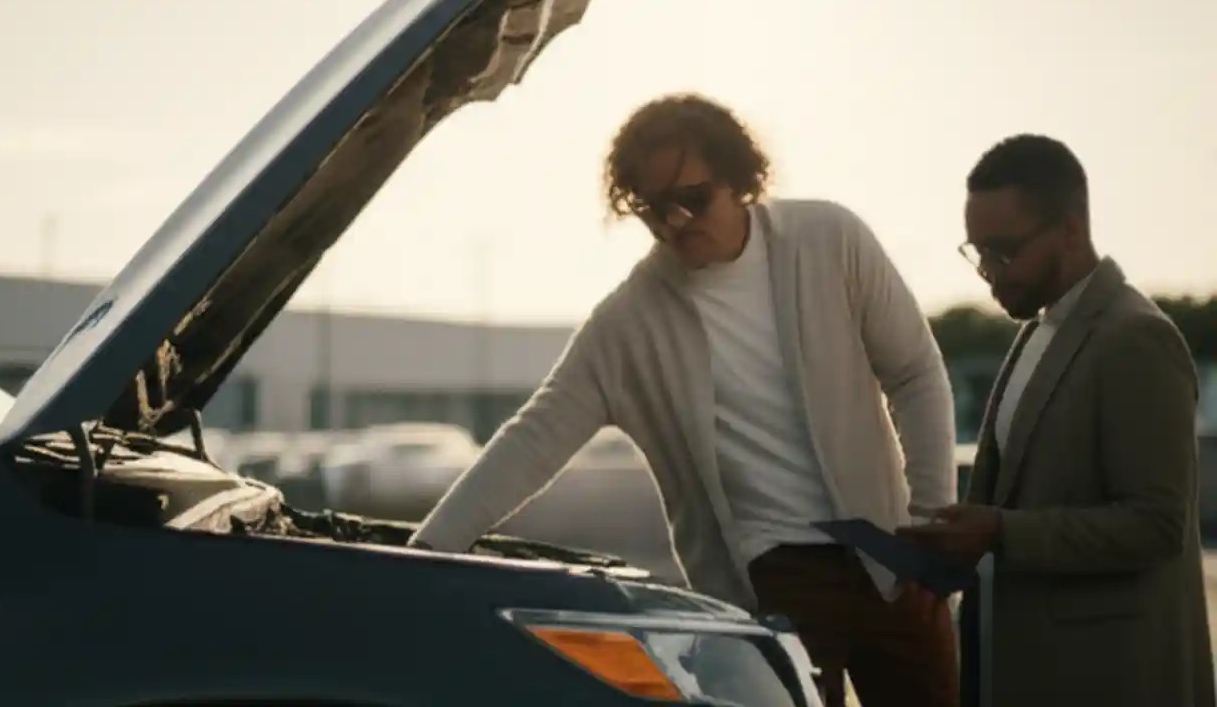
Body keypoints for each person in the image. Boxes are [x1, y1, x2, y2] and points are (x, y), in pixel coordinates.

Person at [409, 93, 959, 706]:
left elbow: (913, 373)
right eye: (652, 209)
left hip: (888, 557)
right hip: (771, 585)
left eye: (692, 199)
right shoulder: (629, 322)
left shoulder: (829, 239)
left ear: (742, 180)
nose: (675, 222)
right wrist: (426, 554)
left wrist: (932, 526)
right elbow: (532, 439)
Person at [899, 134, 1215, 707]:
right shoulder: (1035, 334)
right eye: (977, 253)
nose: (990, 274)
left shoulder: (1135, 338)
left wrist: (998, 531)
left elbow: (1156, 525)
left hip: (1108, 678)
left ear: (1070, 229)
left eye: (1005, 251)